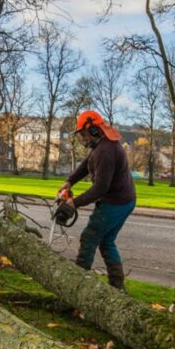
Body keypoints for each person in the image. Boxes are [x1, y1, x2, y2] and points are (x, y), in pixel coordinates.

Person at [58, 110, 137, 291]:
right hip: (124, 200)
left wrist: (73, 203)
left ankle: (79, 284)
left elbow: (101, 188)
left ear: (93, 130)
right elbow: (86, 165)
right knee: (107, 241)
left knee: (89, 237)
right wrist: (69, 182)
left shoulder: (106, 151)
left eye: (83, 134)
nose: (82, 138)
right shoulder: (101, 145)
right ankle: (118, 287)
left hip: (116, 202)